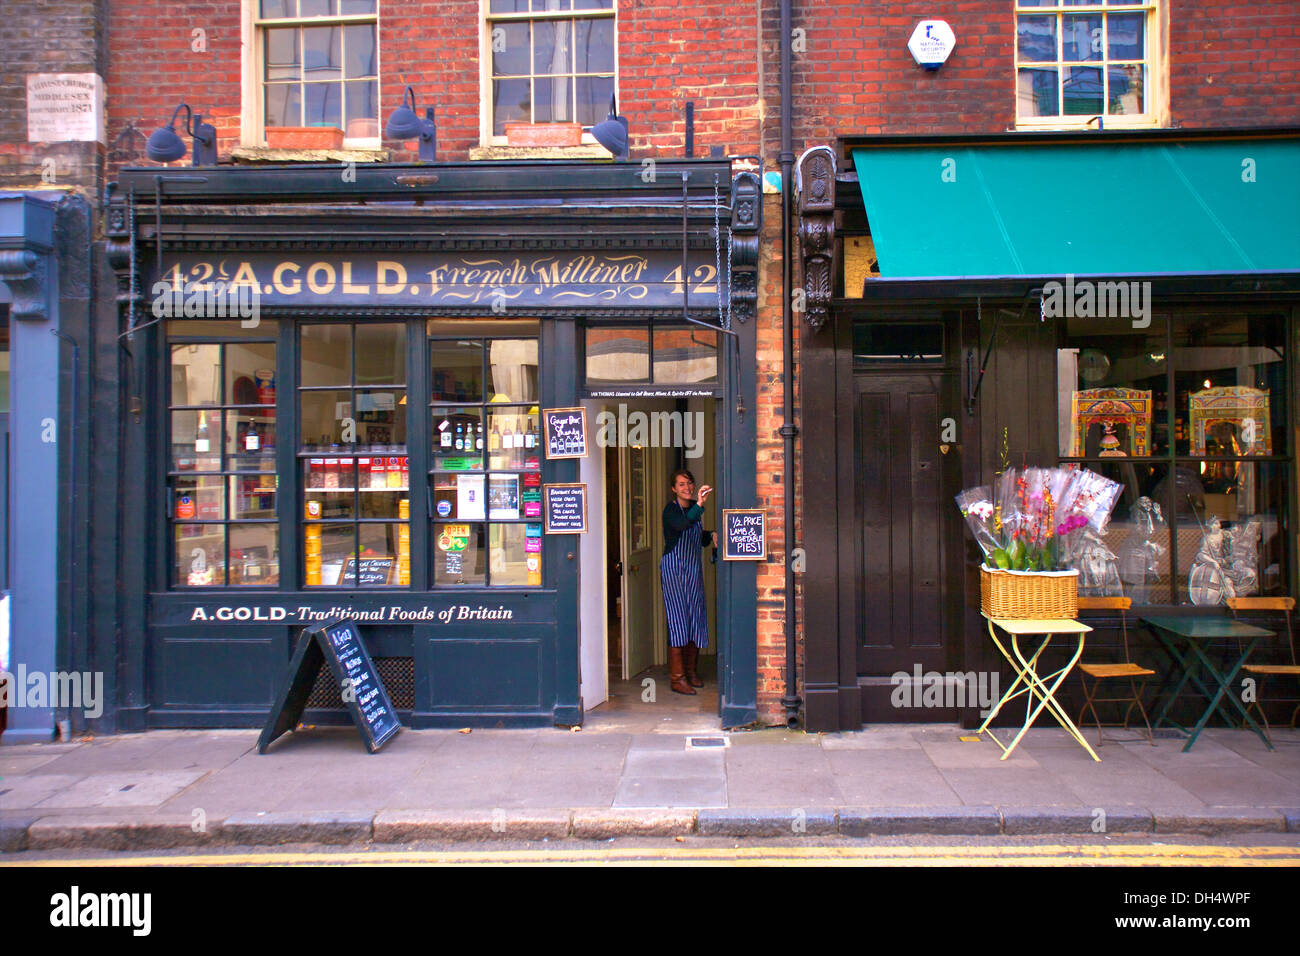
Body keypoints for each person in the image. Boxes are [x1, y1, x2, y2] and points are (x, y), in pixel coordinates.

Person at [660, 469, 716, 695]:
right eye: (681, 484)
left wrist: (711, 535)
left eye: (689, 483)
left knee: (696, 616)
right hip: (673, 569)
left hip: (693, 569)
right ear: (674, 488)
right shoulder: (671, 510)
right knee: (678, 618)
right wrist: (700, 504)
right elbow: (682, 526)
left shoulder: (695, 509)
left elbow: (697, 538)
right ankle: (677, 677)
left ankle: (692, 671)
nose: (687, 488)